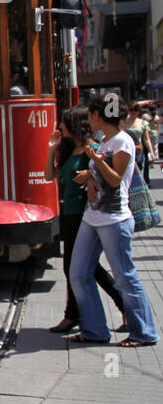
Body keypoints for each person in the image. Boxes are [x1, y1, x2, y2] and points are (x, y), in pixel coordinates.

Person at [68, 93, 159, 347]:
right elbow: (102, 177)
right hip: (93, 217)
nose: (88, 119)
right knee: (78, 273)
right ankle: (95, 329)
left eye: (90, 114)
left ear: (98, 115)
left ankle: (144, 332)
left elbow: (116, 180)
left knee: (125, 277)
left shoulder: (123, 142)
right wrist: (90, 174)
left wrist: (96, 162)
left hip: (114, 220)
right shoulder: (105, 141)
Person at [44, 107, 125, 334]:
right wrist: (52, 149)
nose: (60, 127)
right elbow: (50, 176)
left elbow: (110, 175)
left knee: (79, 266)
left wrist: (90, 176)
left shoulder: (93, 149)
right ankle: (79, 314)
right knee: (79, 266)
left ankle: (75, 315)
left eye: (63, 123)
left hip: (86, 215)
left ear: (74, 125)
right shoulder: (71, 151)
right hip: (70, 214)